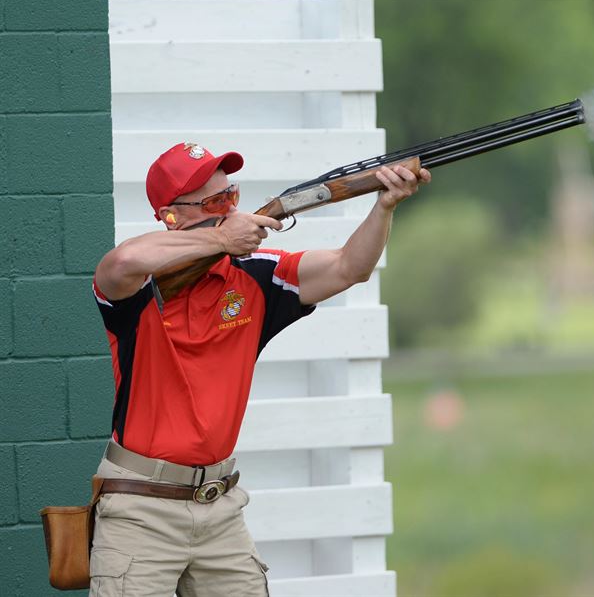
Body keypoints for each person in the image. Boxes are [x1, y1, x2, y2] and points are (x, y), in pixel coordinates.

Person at [89, 142, 431, 596]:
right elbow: (121, 261)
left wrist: (384, 206)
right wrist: (220, 240)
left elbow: (349, 267)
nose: (232, 209)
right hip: (140, 507)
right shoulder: (138, 284)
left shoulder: (255, 275)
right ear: (171, 216)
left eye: (231, 194)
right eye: (215, 202)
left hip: (220, 505)